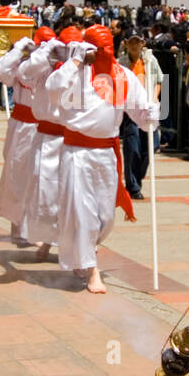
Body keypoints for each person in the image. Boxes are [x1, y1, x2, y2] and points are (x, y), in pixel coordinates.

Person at [43, 25, 156, 293]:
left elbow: (143, 118)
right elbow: (52, 87)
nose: (103, 53)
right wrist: (76, 60)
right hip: (76, 152)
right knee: (83, 213)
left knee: (105, 216)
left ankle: (85, 252)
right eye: (98, 48)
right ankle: (92, 270)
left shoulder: (124, 76)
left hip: (107, 153)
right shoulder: (74, 73)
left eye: (107, 47)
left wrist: (151, 112)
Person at [16, 25, 84, 259]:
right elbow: (23, 73)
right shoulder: (44, 67)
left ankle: (79, 244)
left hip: (73, 139)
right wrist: (46, 51)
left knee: (73, 195)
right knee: (44, 193)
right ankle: (47, 239)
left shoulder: (85, 70)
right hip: (45, 137)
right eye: (65, 47)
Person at [0, 28, 55, 234]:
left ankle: (34, 229)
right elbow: (1, 72)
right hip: (21, 125)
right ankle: (16, 225)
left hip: (45, 126)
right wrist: (19, 49)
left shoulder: (58, 66)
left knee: (42, 179)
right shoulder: (21, 63)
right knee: (17, 174)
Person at [116, 30, 162, 198]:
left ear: (143, 43)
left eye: (138, 42)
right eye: (131, 42)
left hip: (149, 110)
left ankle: (137, 175)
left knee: (151, 147)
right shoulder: (120, 63)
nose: (135, 45)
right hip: (131, 111)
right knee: (132, 148)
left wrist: (154, 98)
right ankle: (133, 186)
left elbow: (158, 81)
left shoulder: (150, 61)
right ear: (126, 43)